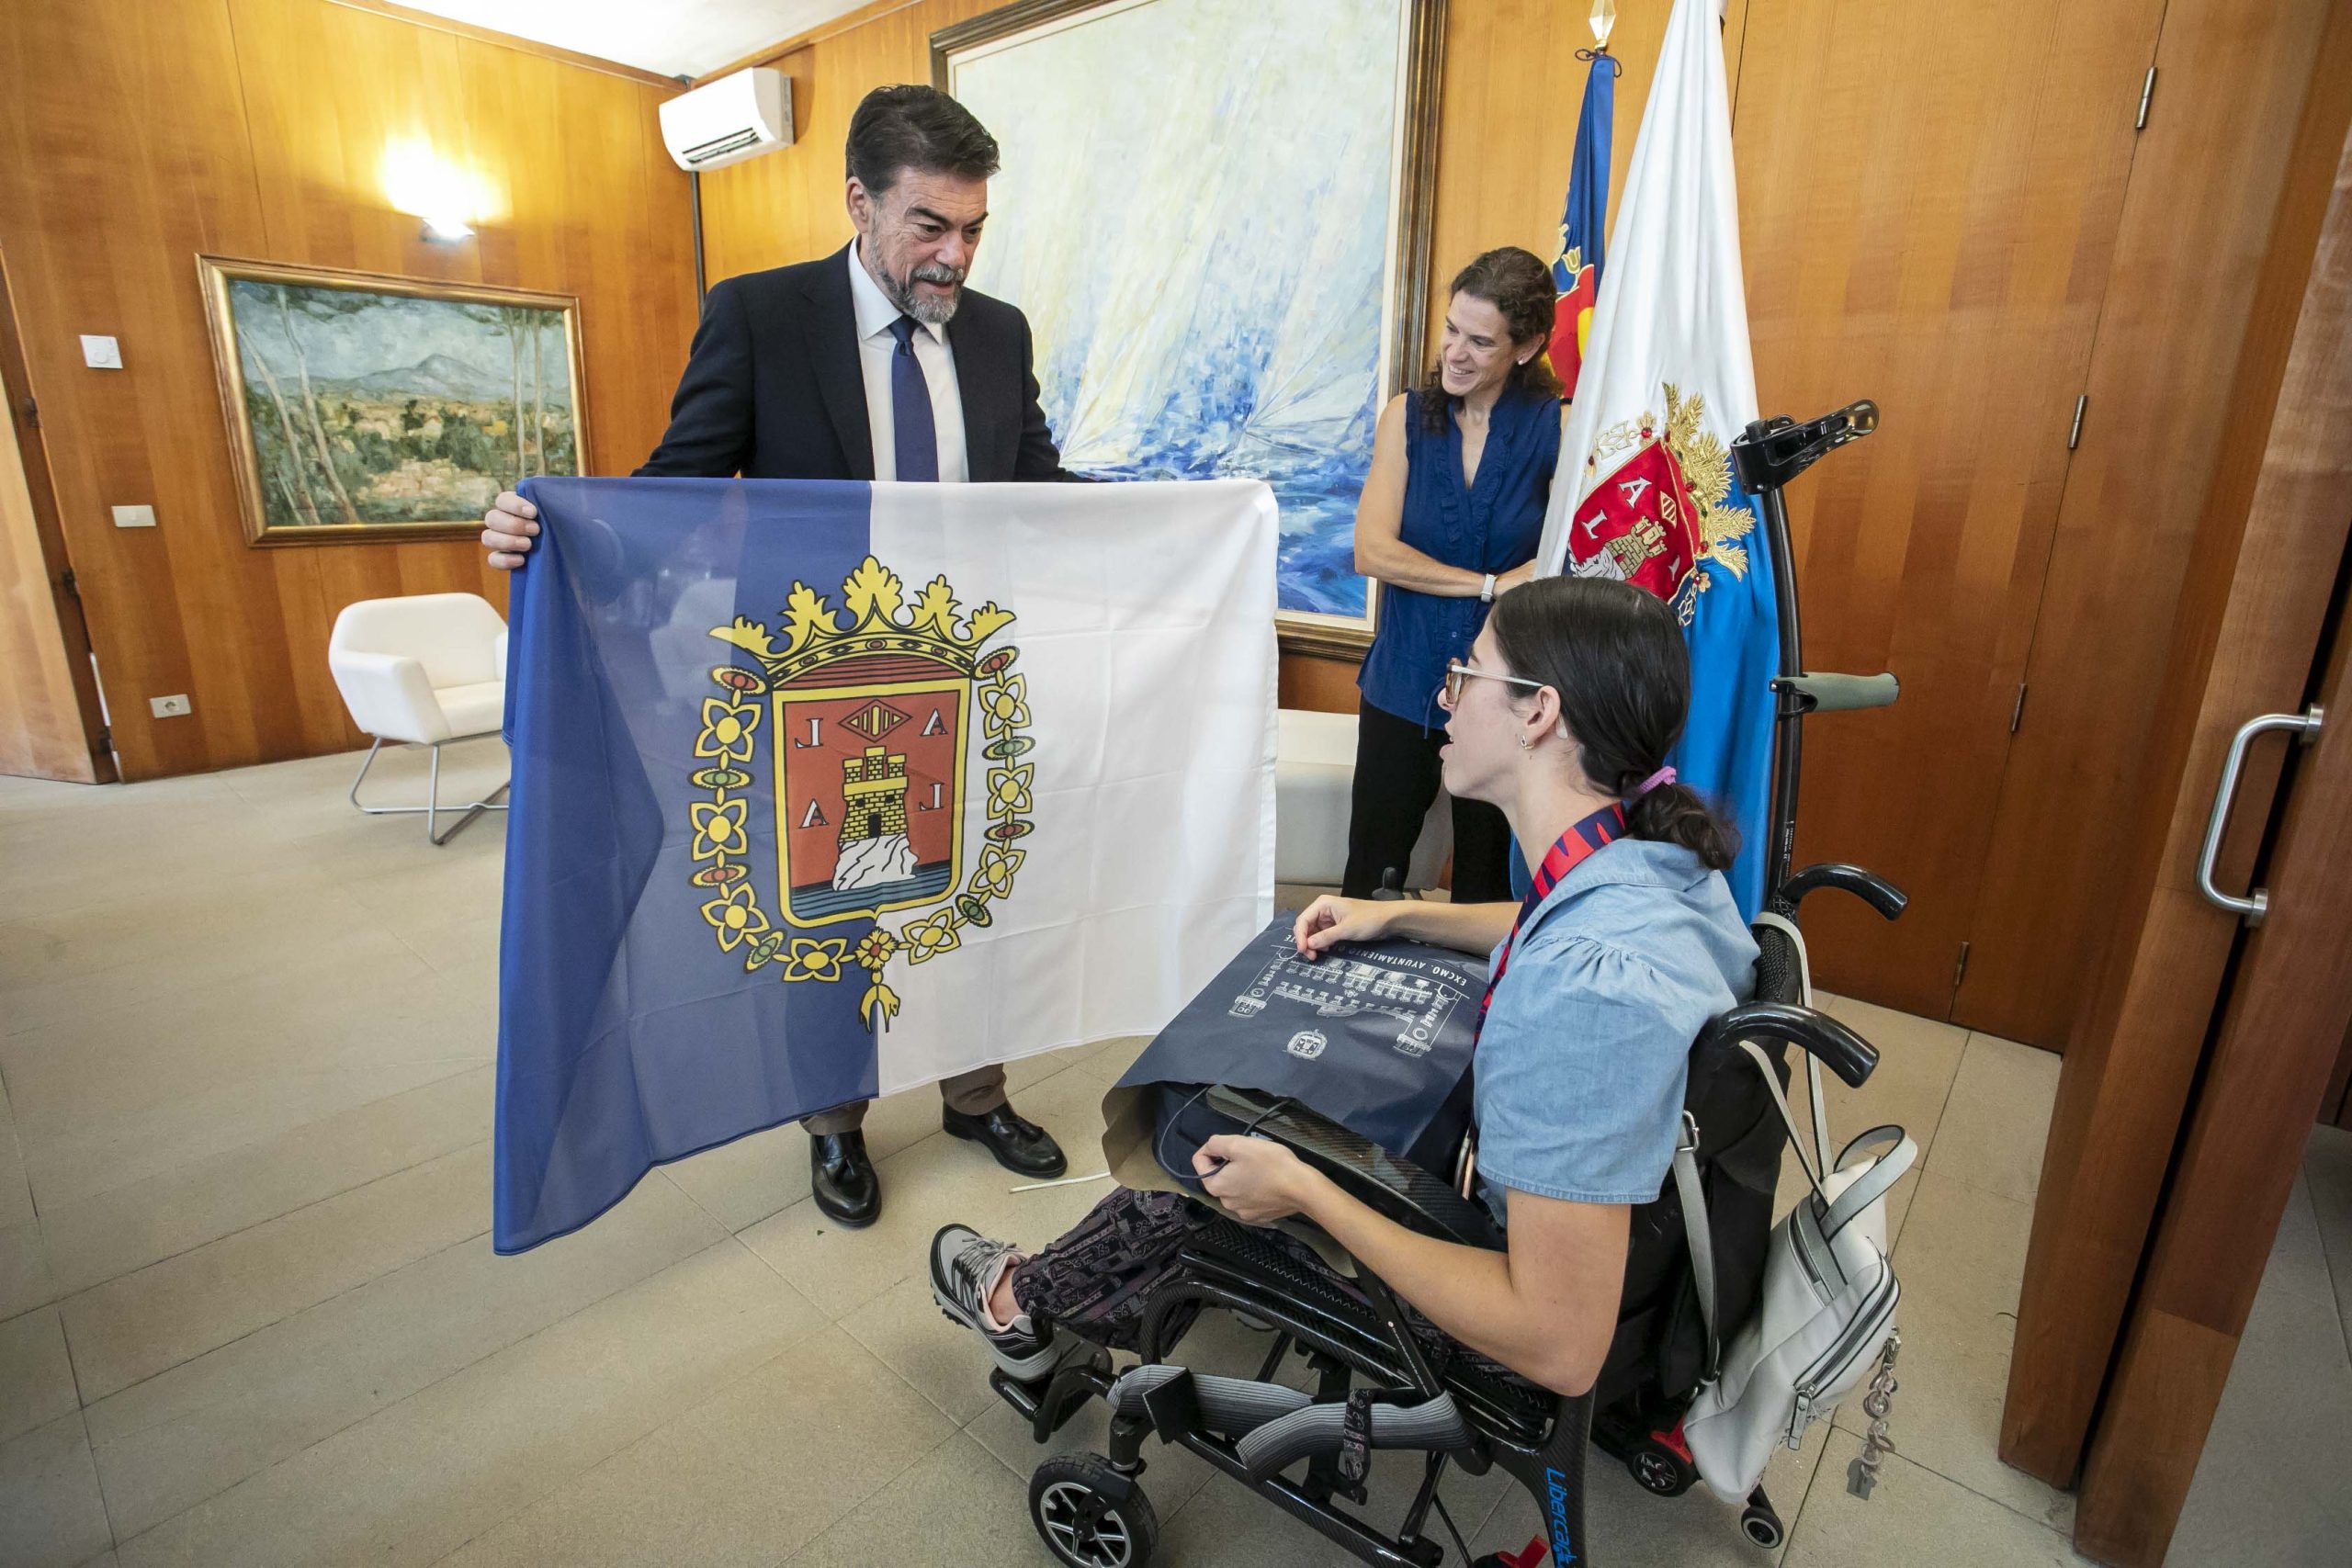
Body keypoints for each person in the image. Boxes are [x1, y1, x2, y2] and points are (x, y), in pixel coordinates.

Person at [929, 576, 1759, 1401]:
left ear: (1538, 713)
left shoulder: (1582, 999)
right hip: (1609, 1221)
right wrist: (1397, 916)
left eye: (1468, 672)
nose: (1445, 694)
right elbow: (1547, 920)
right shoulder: (1661, 863)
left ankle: (1021, 1301)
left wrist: (1307, 1191)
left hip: (1509, 1291)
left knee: (1208, 1127)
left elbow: (1555, 1342)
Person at [478, 84, 1074, 1229]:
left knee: (978, 898)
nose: (954, 258)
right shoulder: (761, 314)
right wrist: (548, 527)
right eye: (929, 227)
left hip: (968, 677)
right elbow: (683, 485)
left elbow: (1039, 485)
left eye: (973, 230)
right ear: (859, 201)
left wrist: (1182, 516)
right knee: (840, 913)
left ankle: (975, 1092)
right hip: (831, 688)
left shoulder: (997, 332)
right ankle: (835, 1118)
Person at [1344, 247, 1568, 907]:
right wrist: (1492, 585)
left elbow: (1562, 564)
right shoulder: (1405, 417)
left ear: (1525, 348)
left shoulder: (1557, 426)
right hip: (1402, 681)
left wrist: (1526, 577)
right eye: (1450, 330)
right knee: (1370, 871)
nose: (1455, 353)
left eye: (1479, 340)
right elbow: (1372, 552)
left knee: (1488, 886)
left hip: (1509, 695)